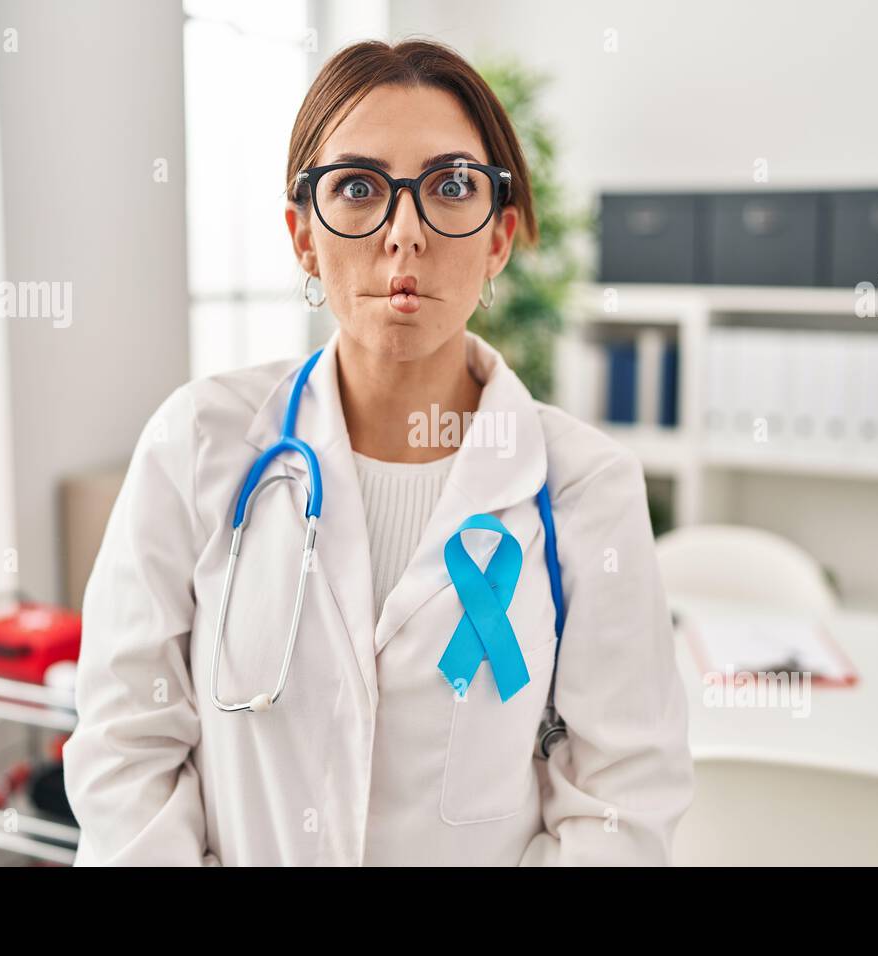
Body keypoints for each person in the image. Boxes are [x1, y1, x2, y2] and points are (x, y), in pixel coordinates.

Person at [62, 37, 693, 866]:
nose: (405, 233)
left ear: (499, 238)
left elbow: (623, 802)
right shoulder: (196, 446)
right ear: (302, 238)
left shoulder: (585, 489)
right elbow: (125, 752)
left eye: (451, 186)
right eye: (358, 188)